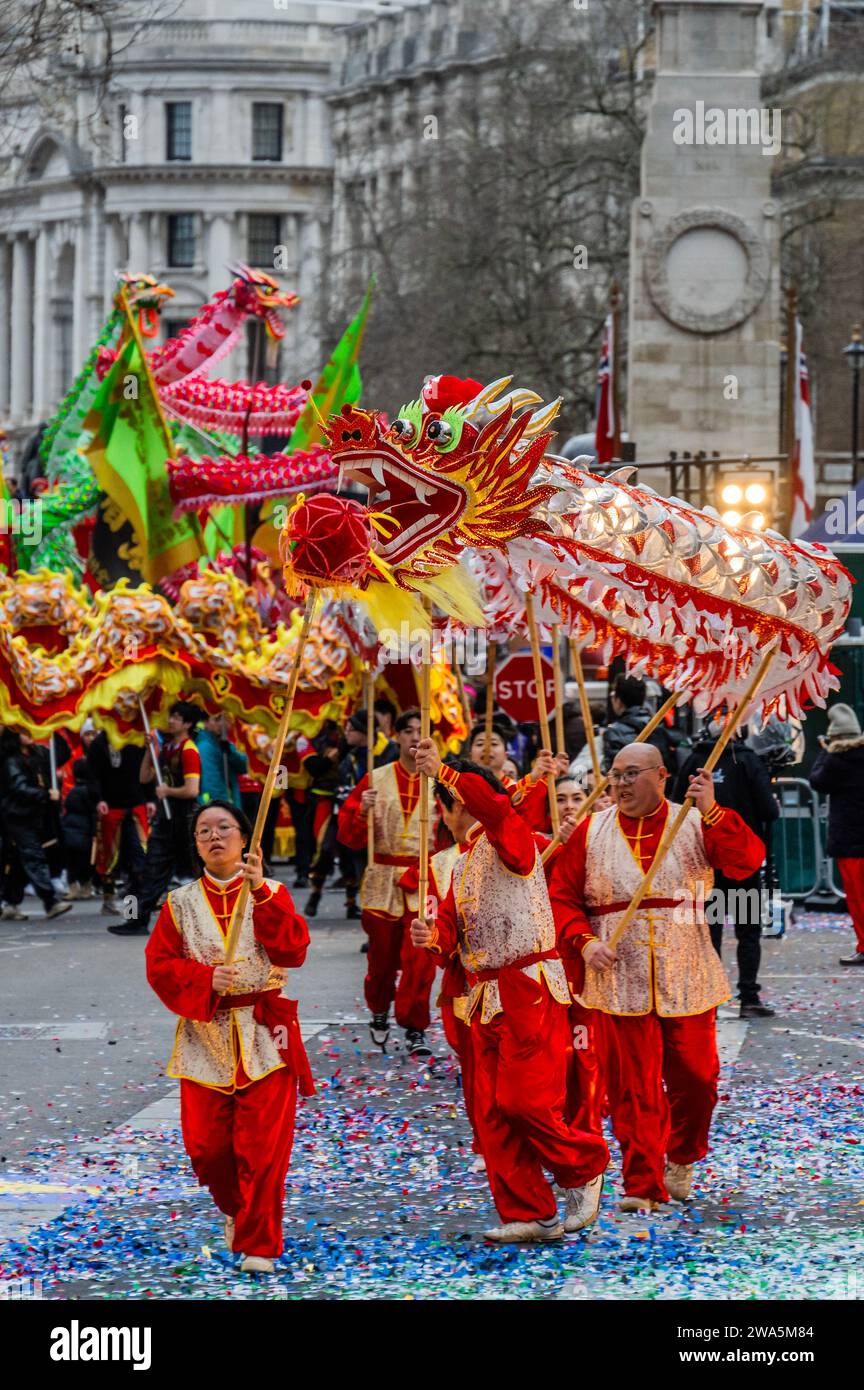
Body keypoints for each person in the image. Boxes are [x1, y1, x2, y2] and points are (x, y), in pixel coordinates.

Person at [549, 742, 765, 1211]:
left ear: (662, 775)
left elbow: (746, 861)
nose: (620, 784)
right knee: (632, 1088)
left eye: (631, 774)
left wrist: (713, 811)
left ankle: (683, 1155)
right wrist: (584, 943)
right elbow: (562, 898)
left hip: (687, 967)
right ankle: (641, 1183)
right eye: (614, 775)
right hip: (617, 972)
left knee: (698, 1077)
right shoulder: (590, 830)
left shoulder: (694, 820)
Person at [410, 747, 609, 1243]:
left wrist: (447, 772)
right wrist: (431, 938)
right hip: (483, 997)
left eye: (448, 802)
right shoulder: (458, 867)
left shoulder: (509, 834)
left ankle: (584, 1165)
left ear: (459, 804)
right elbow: (452, 931)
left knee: (524, 1102)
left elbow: (495, 806)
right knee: (492, 1114)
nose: (445, 815)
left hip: (527, 989)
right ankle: (530, 1211)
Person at [145, 799, 313, 1274]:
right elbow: (159, 967)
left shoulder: (273, 891)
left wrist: (261, 892)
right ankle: (238, 1211)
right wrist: (202, 979)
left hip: (266, 1034)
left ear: (245, 838)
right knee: (206, 1148)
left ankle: (260, 1244)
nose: (214, 836)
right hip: (204, 1036)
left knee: (263, 1152)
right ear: (196, 845)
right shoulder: (179, 903)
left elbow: (293, 951)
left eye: (224, 827)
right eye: (203, 831)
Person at [337, 708, 436, 1056]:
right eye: (407, 730)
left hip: (424, 882)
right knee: (381, 961)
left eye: (421, 731)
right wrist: (360, 811)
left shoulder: (440, 782)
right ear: (395, 736)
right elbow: (348, 838)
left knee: (420, 961)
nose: (413, 737)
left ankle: (414, 1026)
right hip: (382, 879)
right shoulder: (374, 779)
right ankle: (379, 1007)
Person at [674, 724, 779, 1017]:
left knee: (710, 932)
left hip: (702, 861)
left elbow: (674, 804)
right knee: (747, 932)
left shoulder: (693, 759)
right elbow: (769, 810)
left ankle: (711, 999)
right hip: (740, 861)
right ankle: (749, 998)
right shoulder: (747, 760)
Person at [108, 701, 202, 938]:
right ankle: (135, 920)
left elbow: (192, 790)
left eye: (177, 718)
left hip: (184, 819)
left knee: (199, 871)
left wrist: (168, 791)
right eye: (171, 716)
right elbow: (144, 776)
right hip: (166, 819)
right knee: (150, 870)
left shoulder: (189, 750)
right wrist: (150, 751)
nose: (171, 720)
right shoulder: (168, 747)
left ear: (188, 724)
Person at [809, 703, 864, 967]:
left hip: (850, 843)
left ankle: (863, 946)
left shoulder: (836, 760)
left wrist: (824, 752)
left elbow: (817, 781)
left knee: (857, 898)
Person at [0, 728, 72, 920]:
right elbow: (19, 787)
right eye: (24, 730)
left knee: (19, 859)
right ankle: (50, 901)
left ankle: (9, 902)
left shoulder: (38, 753)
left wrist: (54, 726)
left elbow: (62, 753)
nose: (29, 732)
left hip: (37, 816)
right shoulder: (10, 760)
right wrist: (45, 794)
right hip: (18, 817)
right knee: (33, 855)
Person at [337, 709, 398, 920]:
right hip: (358, 818)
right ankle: (369, 921)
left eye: (351, 729)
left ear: (363, 731)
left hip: (389, 825)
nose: (347, 733)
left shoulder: (390, 752)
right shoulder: (350, 756)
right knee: (361, 870)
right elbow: (343, 783)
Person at [86, 729, 152, 917]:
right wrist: (98, 799)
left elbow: (147, 772)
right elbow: (93, 776)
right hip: (110, 807)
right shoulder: (99, 743)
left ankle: (133, 909)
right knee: (108, 858)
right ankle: (108, 899)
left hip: (136, 807)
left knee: (137, 857)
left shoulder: (138, 738)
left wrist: (151, 799)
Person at [603, 675, 678, 774]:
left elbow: (613, 772)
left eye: (613, 695)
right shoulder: (657, 726)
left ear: (618, 700)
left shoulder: (614, 732)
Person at [61, 760, 97, 900]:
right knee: (85, 860)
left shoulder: (75, 791)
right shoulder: (90, 791)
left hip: (72, 829)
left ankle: (74, 887)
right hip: (84, 830)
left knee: (72, 860)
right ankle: (85, 886)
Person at [195, 713, 247, 805]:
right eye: (217, 719)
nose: (222, 724)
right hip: (217, 805)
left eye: (226, 719)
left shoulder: (225, 744)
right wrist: (224, 806)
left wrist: (231, 753)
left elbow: (244, 767)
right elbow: (211, 784)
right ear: (206, 722)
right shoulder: (205, 746)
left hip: (229, 802)